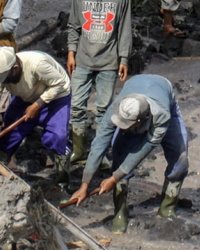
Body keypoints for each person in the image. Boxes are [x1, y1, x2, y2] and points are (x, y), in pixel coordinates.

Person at [66, 74, 188, 232]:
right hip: (136, 89)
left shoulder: (161, 114)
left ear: (140, 121)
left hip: (163, 94)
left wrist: (115, 178)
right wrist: (84, 184)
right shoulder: (117, 108)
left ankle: (167, 206)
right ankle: (120, 212)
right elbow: (99, 144)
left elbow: (145, 148)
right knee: (119, 157)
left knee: (180, 158)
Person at [66, 0, 133, 169]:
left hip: (108, 62)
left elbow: (124, 30)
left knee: (104, 108)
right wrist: (71, 51)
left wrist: (124, 59)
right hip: (83, 60)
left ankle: (99, 152)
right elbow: (74, 25)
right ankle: (78, 150)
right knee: (76, 105)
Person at [0, 47, 71, 175]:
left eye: (5, 77)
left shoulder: (37, 64)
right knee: (9, 132)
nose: (2, 81)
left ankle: (62, 176)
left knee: (57, 137)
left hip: (56, 95)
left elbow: (60, 83)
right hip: (26, 96)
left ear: (15, 68)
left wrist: (37, 104)